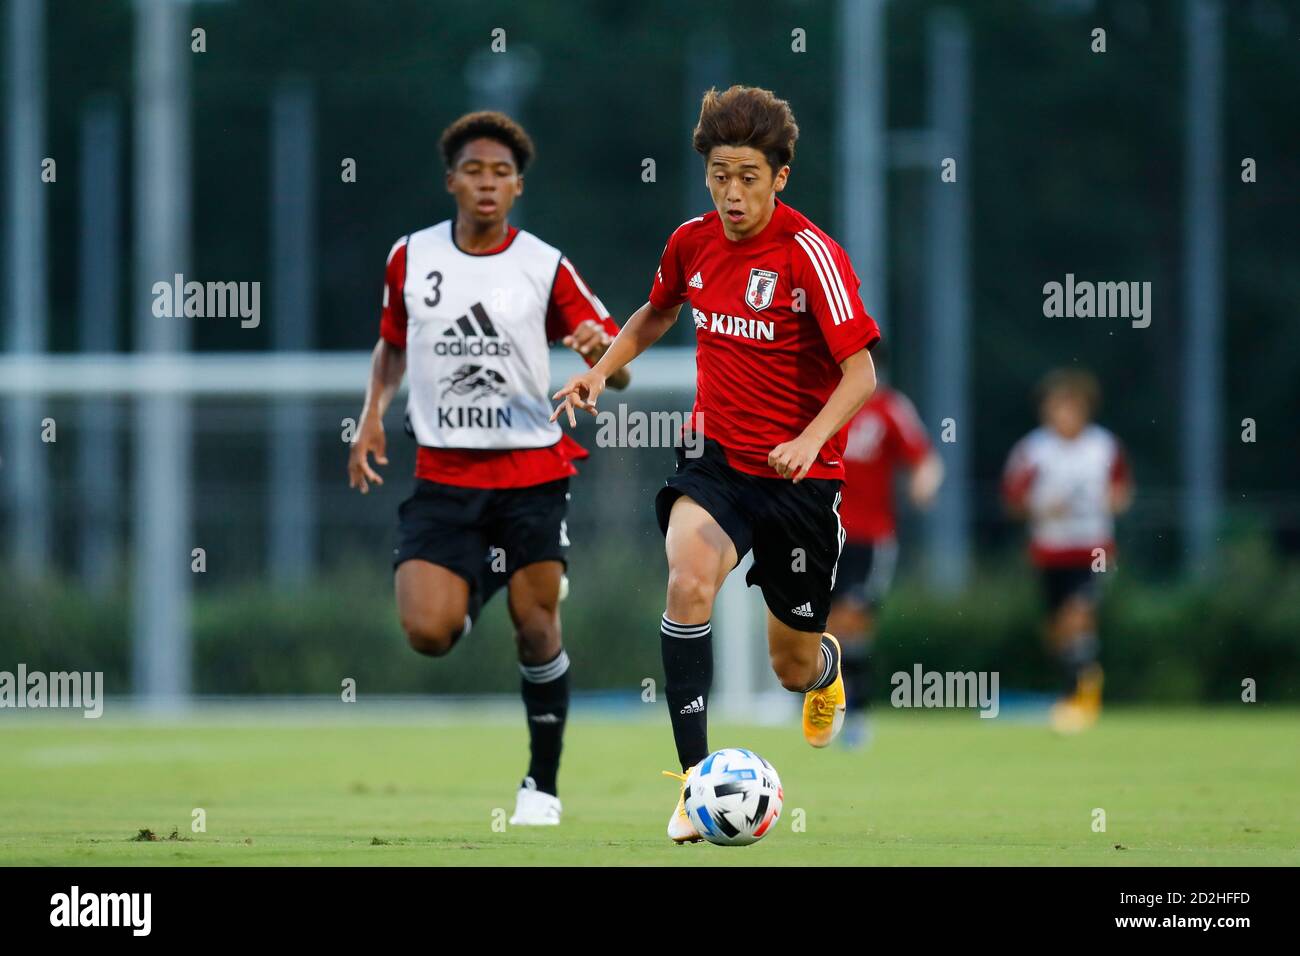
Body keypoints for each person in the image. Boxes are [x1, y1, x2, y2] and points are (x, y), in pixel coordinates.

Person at [551, 85, 880, 842]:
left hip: (802, 479)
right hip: (718, 458)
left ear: (781, 177)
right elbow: (658, 309)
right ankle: (695, 784)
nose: (732, 194)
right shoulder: (691, 241)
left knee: (788, 668)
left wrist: (807, 439)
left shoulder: (811, 256)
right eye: (720, 175)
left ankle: (823, 668)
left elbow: (861, 372)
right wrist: (601, 371)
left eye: (749, 178)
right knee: (687, 580)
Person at [347, 110, 629, 825]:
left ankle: (542, 785)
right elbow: (392, 344)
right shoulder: (410, 258)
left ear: (518, 188)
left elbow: (614, 367)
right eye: (474, 170)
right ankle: (470, 588)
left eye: (501, 173)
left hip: (532, 476)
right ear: (451, 181)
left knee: (536, 627)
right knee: (428, 633)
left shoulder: (544, 264)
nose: (487, 183)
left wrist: (600, 353)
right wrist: (371, 411)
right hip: (444, 480)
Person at [1002, 369, 1133, 733]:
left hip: (1092, 548)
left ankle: (1078, 696)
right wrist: (1041, 509)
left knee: (1077, 615)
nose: (1062, 414)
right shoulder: (1033, 450)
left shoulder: (1103, 447)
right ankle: (1078, 684)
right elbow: (1013, 501)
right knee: (1057, 630)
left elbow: (1122, 492)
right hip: (1050, 550)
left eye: (1069, 406)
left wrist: (1108, 502)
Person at [827, 347, 943, 745]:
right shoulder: (820, 403)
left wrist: (924, 482)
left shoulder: (890, 410)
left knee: (854, 619)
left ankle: (856, 713)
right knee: (822, 627)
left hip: (869, 538)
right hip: (818, 532)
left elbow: (924, 458)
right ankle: (825, 702)